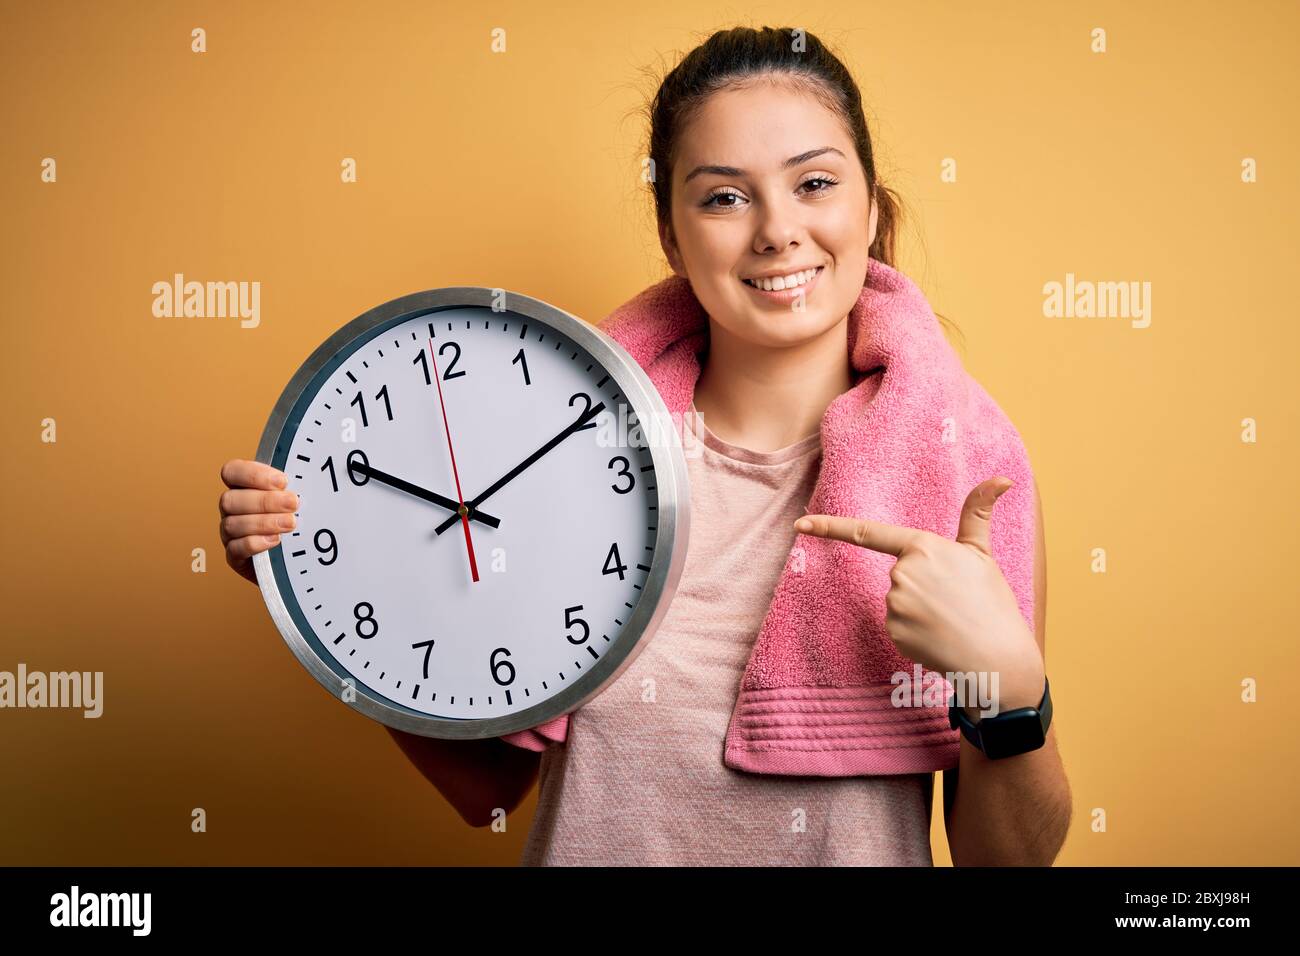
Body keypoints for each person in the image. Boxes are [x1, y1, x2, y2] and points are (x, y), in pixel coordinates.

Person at [218, 26, 1070, 865]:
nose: (776, 231)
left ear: (871, 205)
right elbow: (485, 793)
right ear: (672, 235)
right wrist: (317, 593)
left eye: (814, 183)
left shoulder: (966, 473)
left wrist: (1006, 684)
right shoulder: (549, 459)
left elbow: (1010, 863)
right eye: (724, 196)